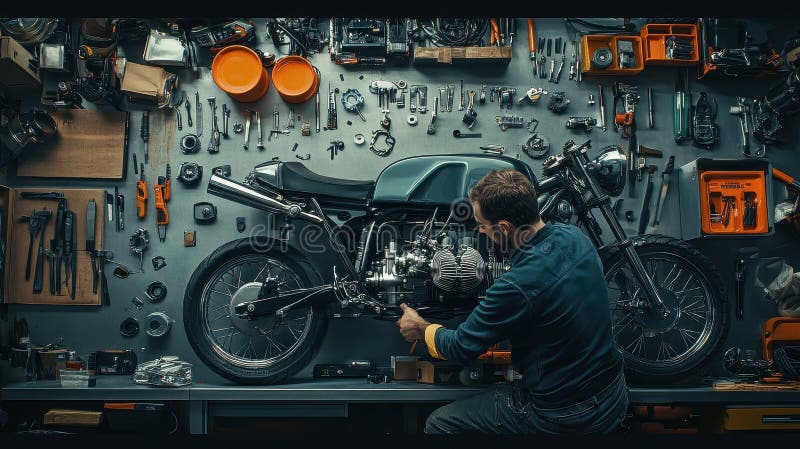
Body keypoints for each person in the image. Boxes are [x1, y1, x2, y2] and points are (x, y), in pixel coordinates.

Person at [396, 168, 628, 435]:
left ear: (504, 228)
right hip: (613, 393)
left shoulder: (516, 286)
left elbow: (460, 347)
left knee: (439, 423)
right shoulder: (574, 237)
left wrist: (422, 328)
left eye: (482, 224)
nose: (480, 231)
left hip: (565, 414)